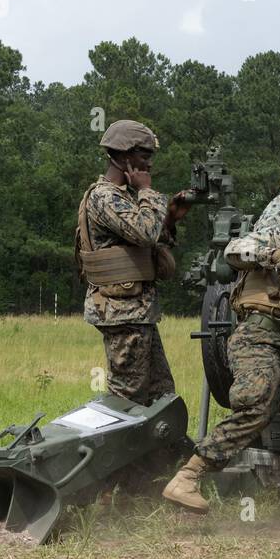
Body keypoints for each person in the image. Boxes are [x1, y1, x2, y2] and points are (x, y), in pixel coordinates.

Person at [163, 197, 280, 514]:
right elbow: (234, 252)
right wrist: (275, 257)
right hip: (260, 336)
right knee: (255, 404)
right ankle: (188, 476)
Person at [76, 120, 191, 405]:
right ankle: (111, 449)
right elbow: (144, 232)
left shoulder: (123, 198)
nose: (150, 165)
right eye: (145, 156)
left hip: (136, 313)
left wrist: (171, 219)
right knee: (126, 400)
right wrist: (147, 192)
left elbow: (147, 238)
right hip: (122, 313)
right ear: (125, 157)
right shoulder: (105, 198)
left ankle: (161, 450)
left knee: (159, 395)